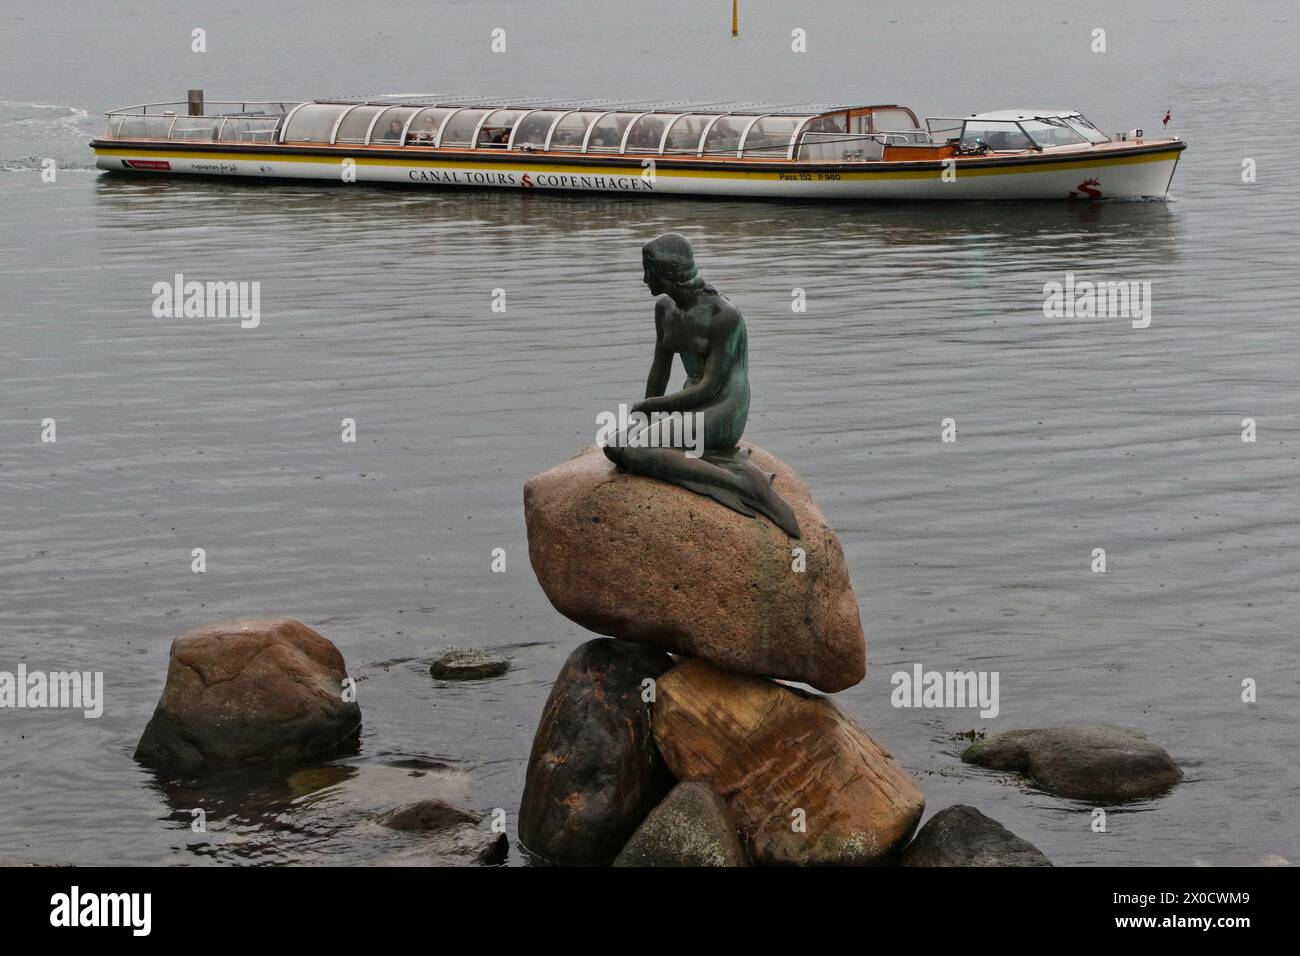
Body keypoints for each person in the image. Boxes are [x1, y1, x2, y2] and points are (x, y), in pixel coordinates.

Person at [601, 234, 801, 538]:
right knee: (615, 446)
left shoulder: (724, 315)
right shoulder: (665, 309)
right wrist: (644, 417)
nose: (644, 279)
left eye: (648, 271)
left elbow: (709, 387)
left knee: (640, 450)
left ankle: (743, 484)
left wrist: (654, 407)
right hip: (690, 401)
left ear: (669, 273)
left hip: (723, 407)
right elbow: (660, 368)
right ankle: (703, 463)